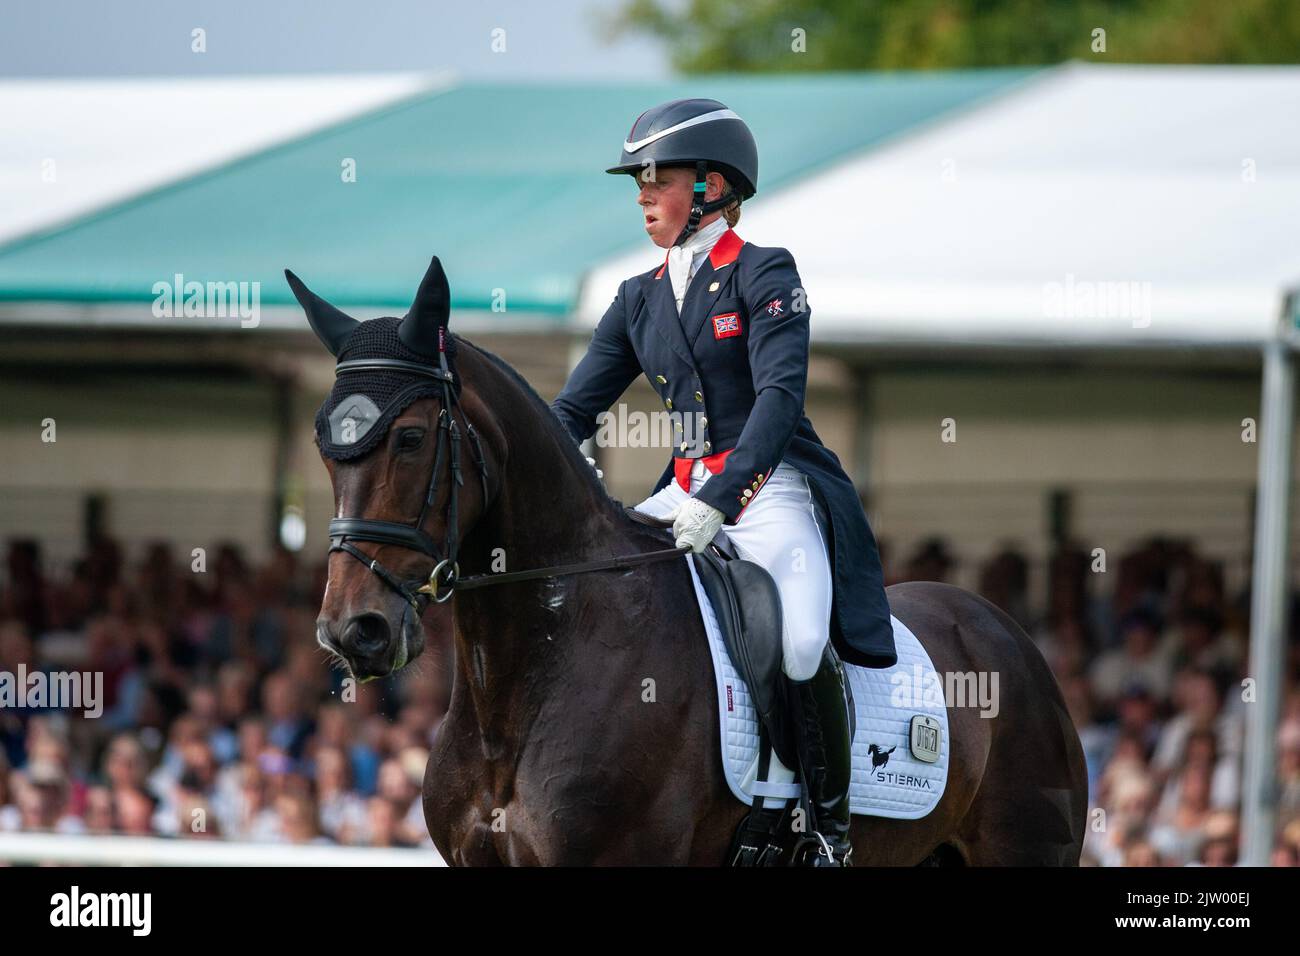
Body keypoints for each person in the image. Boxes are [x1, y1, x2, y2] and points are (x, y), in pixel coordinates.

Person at [551, 98, 896, 865]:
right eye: (638, 184)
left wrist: (723, 498)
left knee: (802, 641)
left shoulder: (764, 271)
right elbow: (575, 407)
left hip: (768, 486)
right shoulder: (637, 296)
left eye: (656, 181)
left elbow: (779, 401)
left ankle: (825, 828)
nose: (641, 197)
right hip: (679, 490)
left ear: (711, 186)